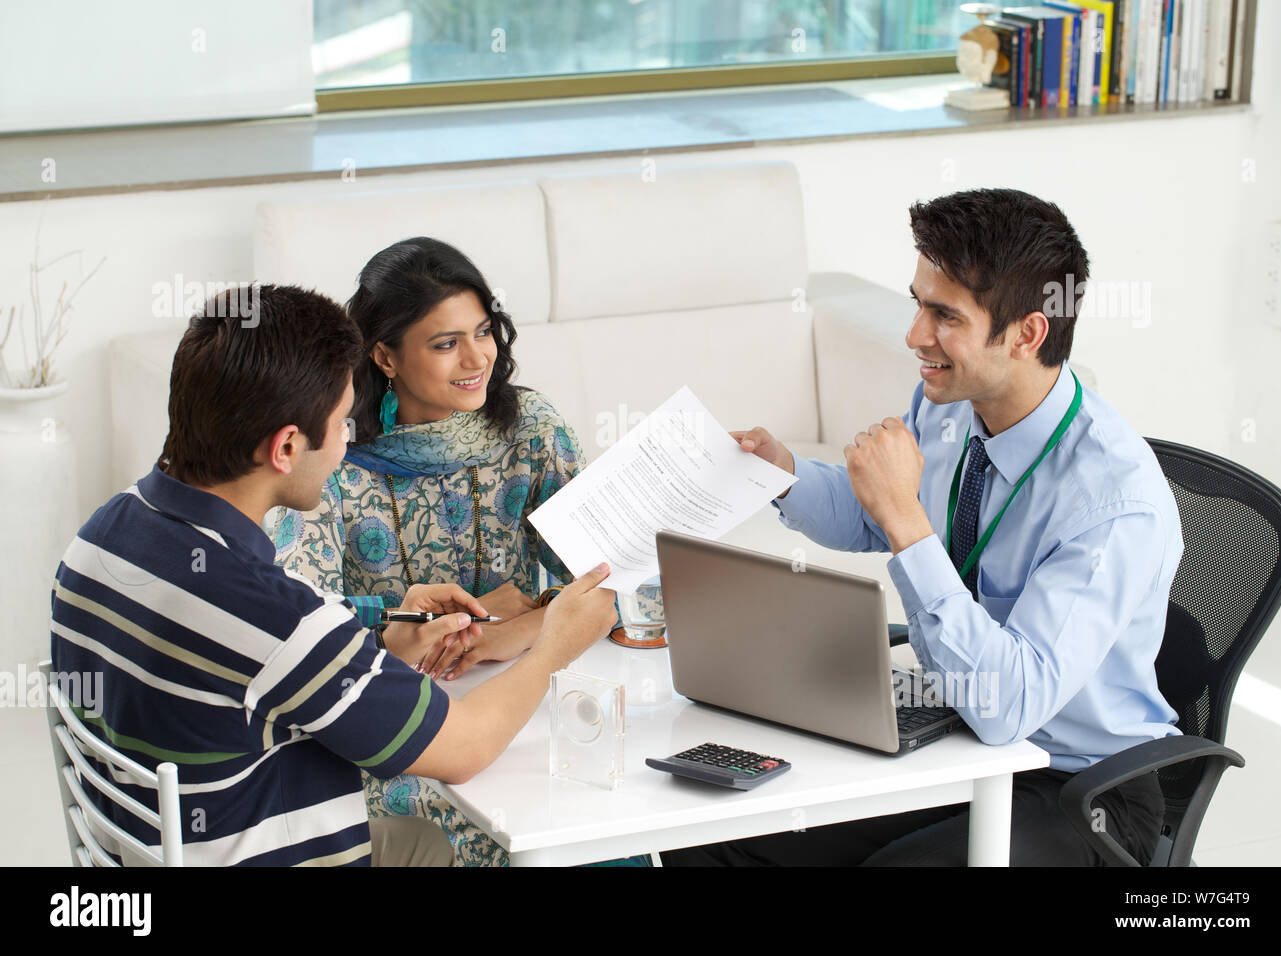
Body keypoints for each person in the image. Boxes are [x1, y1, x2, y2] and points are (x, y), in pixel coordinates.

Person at [665, 188, 1181, 866]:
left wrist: (908, 525)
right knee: (720, 836)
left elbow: (1008, 706)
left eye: (944, 315)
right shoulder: (950, 407)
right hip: (962, 737)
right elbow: (872, 514)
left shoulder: (1114, 503)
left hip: (1080, 784)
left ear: (1028, 333)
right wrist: (783, 471)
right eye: (917, 303)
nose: (914, 335)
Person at [48, 284, 617, 866]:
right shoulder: (275, 619)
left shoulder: (104, 531)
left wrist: (390, 619)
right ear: (287, 447)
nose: (350, 442)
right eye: (344, 423)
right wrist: (554, 646)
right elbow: (465, 746)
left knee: (428, 844)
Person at [264, 237, 603, 865]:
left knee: (593, 802)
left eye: (483, 332)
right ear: (385, 355)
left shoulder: (530, 428)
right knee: (497, 827)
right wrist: (401, 625)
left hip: (523, 699)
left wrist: (520, 625)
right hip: (384, 731)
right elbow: (293, 618)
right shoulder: (329, 454)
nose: (477, 358)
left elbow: (612, 577)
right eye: (446, 343)